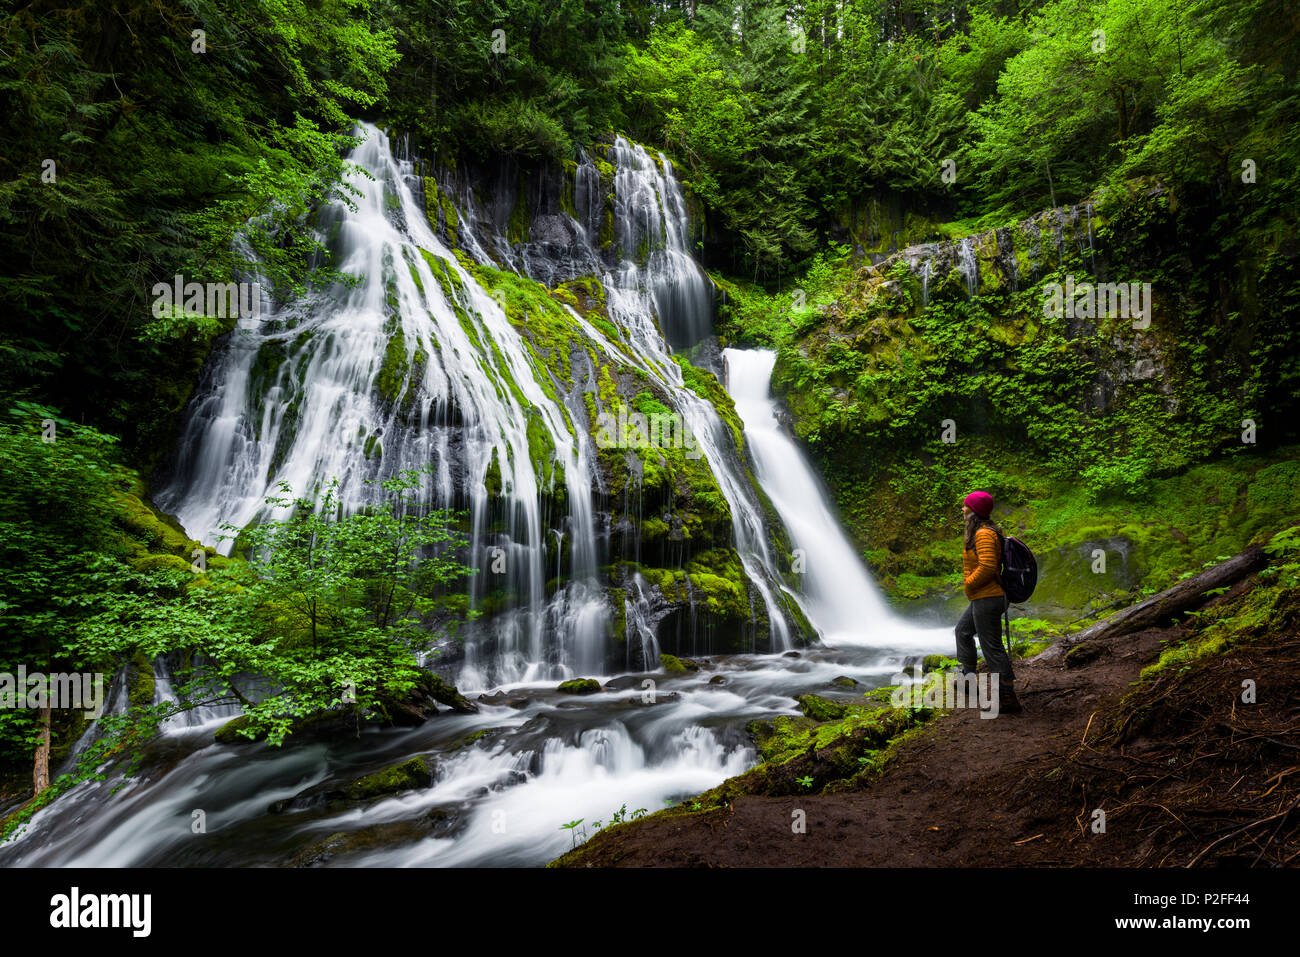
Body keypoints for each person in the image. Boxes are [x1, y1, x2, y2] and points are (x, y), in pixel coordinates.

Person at [956, 491, 1023, 714]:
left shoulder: (984, 534)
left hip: (988, 597)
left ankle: (1007, 696)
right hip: (983, 597)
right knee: (963, 631)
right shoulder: (981, 531)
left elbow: (986, 566)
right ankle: (968, 679)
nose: (962, 509)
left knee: (991, 646)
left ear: (974, 510)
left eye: (965, 506)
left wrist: (968, 584)